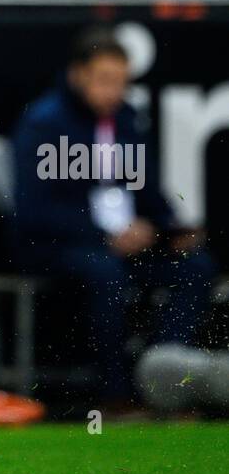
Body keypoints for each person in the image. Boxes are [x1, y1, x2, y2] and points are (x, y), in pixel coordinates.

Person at [11, 29, 216, 401]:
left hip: (122, 246)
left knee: (195, 267)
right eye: (105, 80)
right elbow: (34, 210)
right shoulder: (44, 124)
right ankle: (115, 392)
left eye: (122, 82)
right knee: (104, 271)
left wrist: (167, 228)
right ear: (78, 75)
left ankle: (160, 376)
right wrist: (103, 235)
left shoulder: (127, 120)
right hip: (60, 249)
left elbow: (147, 190)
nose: (114, 91)